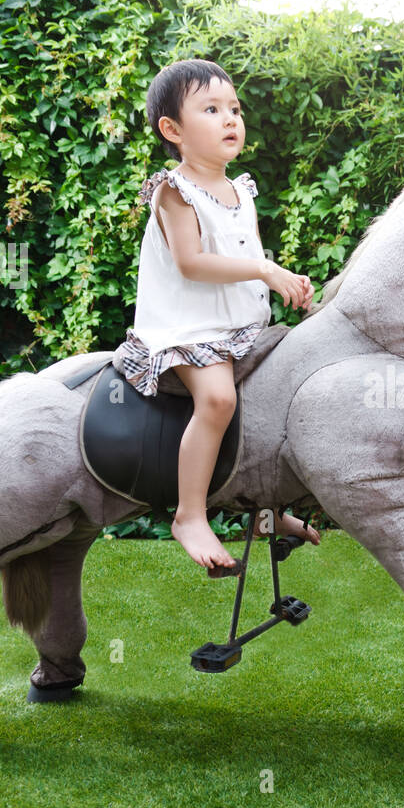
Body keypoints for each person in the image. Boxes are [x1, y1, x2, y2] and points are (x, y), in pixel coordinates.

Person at [113, 59, 320, 574]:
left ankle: (265, 512)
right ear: (173, 130)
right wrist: (264, 268)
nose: (230, 119)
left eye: (234, 108)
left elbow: (244, 257)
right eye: (211, 109)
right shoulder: (174, 190)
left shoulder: (238, 189)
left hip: (239, 327)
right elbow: (193, 262)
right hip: (189, 329)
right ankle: (189, 514)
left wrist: (286, 282)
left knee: (273, 396)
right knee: (219, 398)